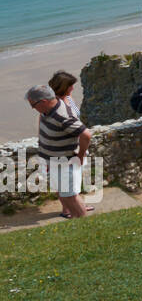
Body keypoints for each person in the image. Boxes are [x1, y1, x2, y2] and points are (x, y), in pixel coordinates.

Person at [27, 84, 93, 218]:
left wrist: (80, 156)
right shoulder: (47, 109)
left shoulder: (62, 116)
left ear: (44, 101)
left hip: (65, 162)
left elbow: (86, 135)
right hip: (53, 161)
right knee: (63, 193)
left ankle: (84, 225)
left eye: (33, 105)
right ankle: (76, 221)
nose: (33, 109)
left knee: (70, 197)